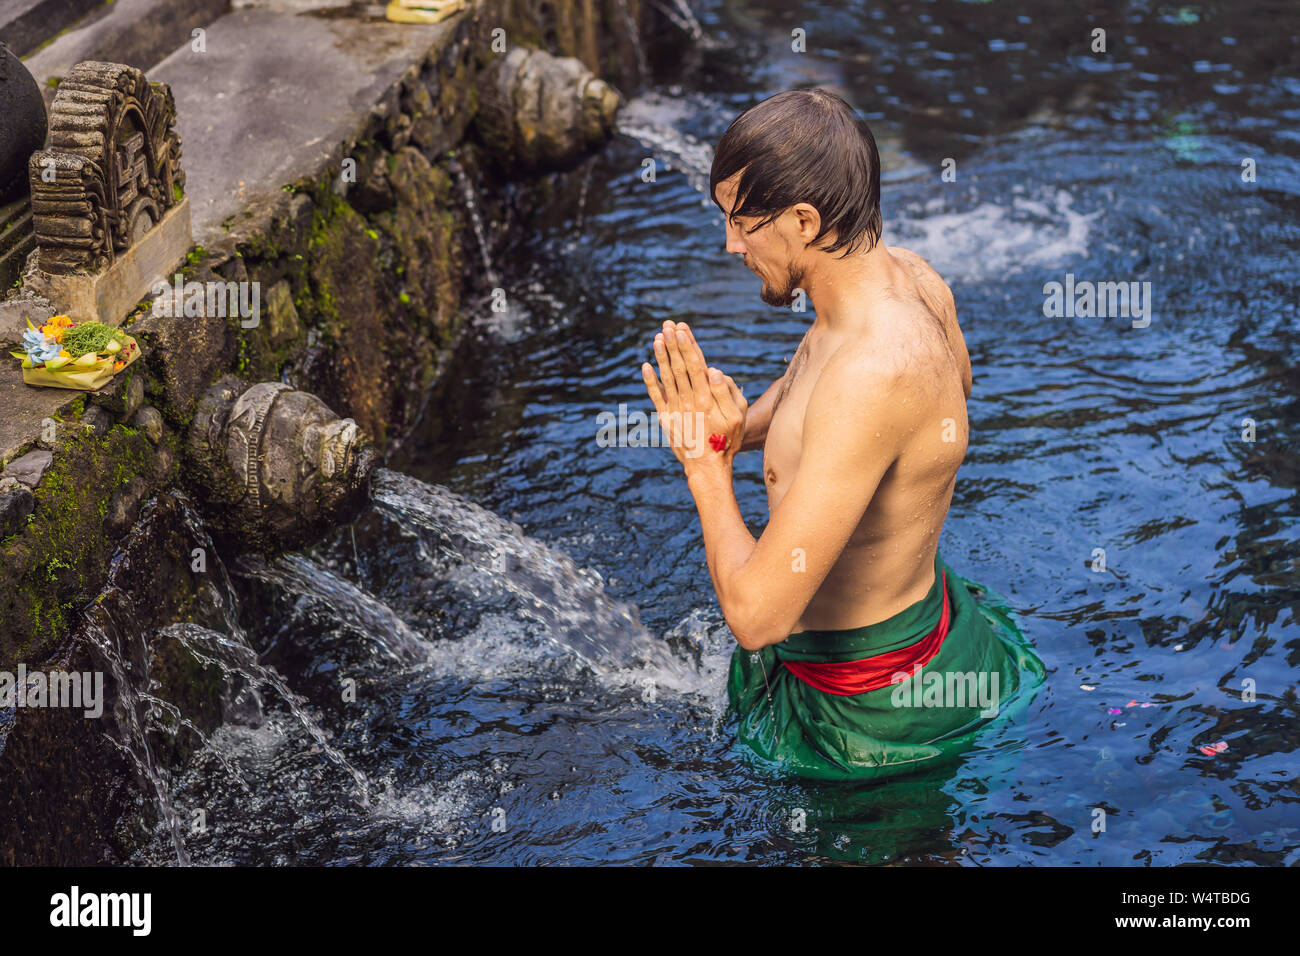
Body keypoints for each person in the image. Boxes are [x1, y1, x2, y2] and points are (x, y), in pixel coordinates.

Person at [640, 88, 1043, 781]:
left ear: (803, 219)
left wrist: (703, 463)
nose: (729, 243)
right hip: (930, 625)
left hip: (873, 718)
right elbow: (919, 393)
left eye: (741, 222)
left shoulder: (875, 372)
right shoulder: (905, 278)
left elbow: (759, 618)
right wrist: (742, 431)